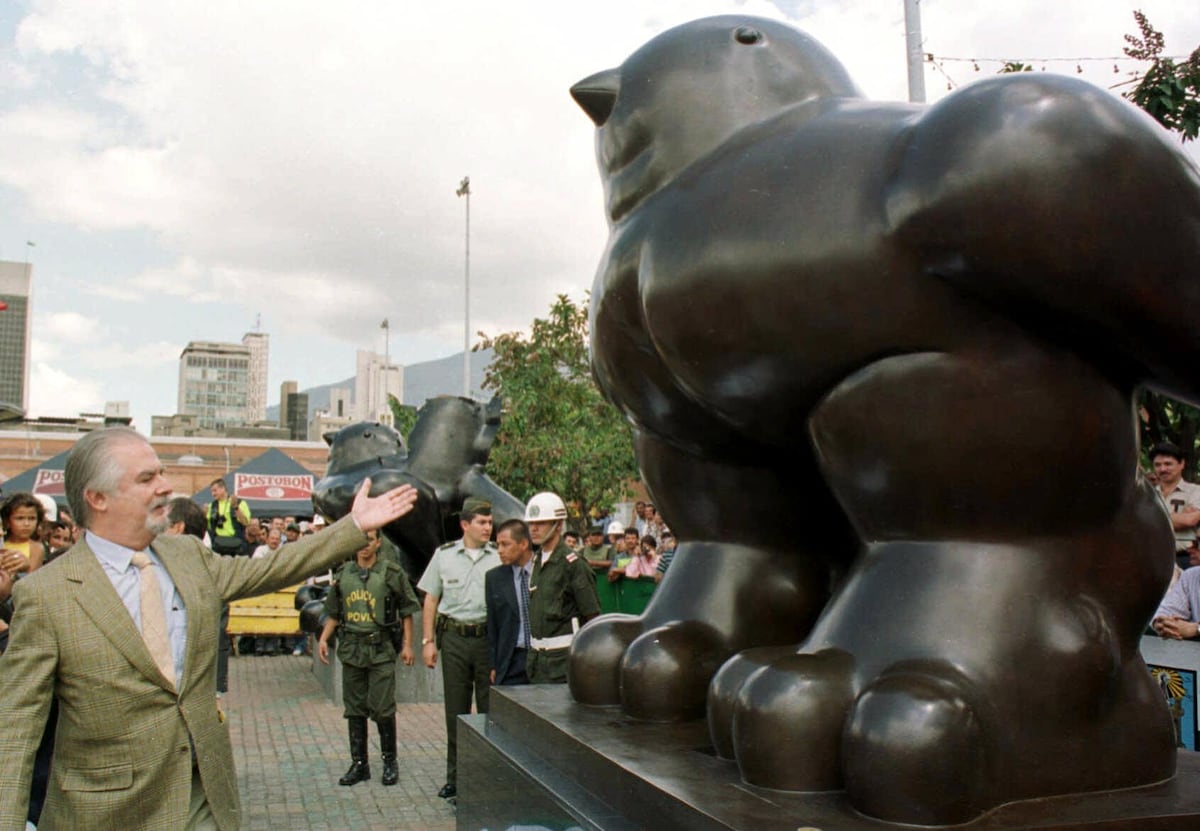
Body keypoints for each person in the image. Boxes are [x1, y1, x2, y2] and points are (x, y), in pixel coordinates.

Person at [0, 425, 419, 830]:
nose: (165, 487)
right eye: (147, 478)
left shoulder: (187, 556)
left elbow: (275, 567)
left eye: (162, 472)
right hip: (107, 812)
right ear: (98, 498)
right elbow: (15, 733)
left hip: (203, 800)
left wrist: (354, 526)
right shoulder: (46, 595)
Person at [318, 528, 419, 787]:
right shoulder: (344, 575)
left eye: (370, 540)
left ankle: (389, 762)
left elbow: (407, 609)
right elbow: (334, 611)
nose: (364, 546)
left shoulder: (391, 573)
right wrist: (323, 638)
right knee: (354, 708)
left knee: (383, 708)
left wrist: (408, 645)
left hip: (381, 649)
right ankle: (359, 764)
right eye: (360, 540)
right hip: (352, 648)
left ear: (378, 543)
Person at [417, 496, 499, 801]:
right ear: (465, 524)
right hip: (453, 640)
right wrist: (428, 643)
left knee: (491, 712)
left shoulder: (497, 556)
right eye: (481, 522)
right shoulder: (444, 555)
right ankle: (456, 778)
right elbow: (431, 600)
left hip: (486, 640)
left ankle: (489, 774)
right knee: (456, 711)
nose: (487, 528)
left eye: (490, 522)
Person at [525, 492, 601, 684]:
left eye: (541, 523)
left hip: (563, 665)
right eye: (531, 523)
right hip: (538, 663)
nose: (533, 528)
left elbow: (592, 617)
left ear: (558, 525)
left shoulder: (573, 564)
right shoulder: (536, 560)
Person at [485, 519, 534, 686]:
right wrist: (493, 664)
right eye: (498, 545)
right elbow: (492, 624)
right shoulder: (494, 578)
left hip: (543, 657)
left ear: (523, 544)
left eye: (505, 545)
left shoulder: (544, 570)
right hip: (512, 659)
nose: (500, 551)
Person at [1152, 442, 1200, 569]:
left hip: (1186, 560)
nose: (1162, 469)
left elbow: (1190, 520)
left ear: (1181, 464)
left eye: (1168, 464)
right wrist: (1179, 518)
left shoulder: (1195, 491)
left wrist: (1151, 519)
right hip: (1152, 560)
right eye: (1158, 465)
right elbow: (1136, 524)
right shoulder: (1147, 495)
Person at [0, 492, 48, 572]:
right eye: (20, 518)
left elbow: (32, 577)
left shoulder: (37, 548)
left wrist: (26, 566)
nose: (26, 524)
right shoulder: (2, 543)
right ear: (7, 521)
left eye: (32, 518)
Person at [207, 478, 254, 557]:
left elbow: (246, 522)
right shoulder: (212, 506)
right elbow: (208, 526)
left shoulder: (240, 503)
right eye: (212, 491)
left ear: (223, 488)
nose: (213, 494)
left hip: (236, 546)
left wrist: (236, 507)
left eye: (215, 490)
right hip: (218, 546)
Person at [1153, 564, 1200, 639]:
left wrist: (1197, 629)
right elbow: (1167, 611)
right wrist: (1162, 623)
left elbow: (1193, 629)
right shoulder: (1191, 575)